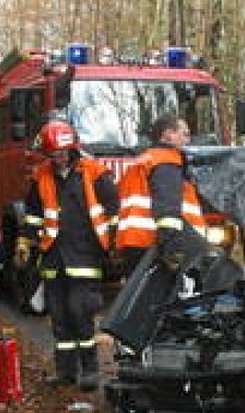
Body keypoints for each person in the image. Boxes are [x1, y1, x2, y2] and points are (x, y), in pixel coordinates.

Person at [15, 120, 119, 390]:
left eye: (61, 153)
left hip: (85, 255)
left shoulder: (95, 173)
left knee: (80, 311)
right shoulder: (41, 177)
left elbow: (114, 211)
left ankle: (91, 370)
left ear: (72, 148)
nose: (57, 158)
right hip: (53, 257)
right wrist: (25, 241)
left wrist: (113, 246)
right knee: (59, 316)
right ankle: (65, 372)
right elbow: (34, 215)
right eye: (52, 154)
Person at [113, 114, 209, 271]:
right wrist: (173, 250)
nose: (188, 141)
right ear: (168, 135)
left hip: (135, 243)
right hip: (157, 245)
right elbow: (167, 209)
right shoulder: (167, 160)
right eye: (184, 134)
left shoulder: (143, 160)